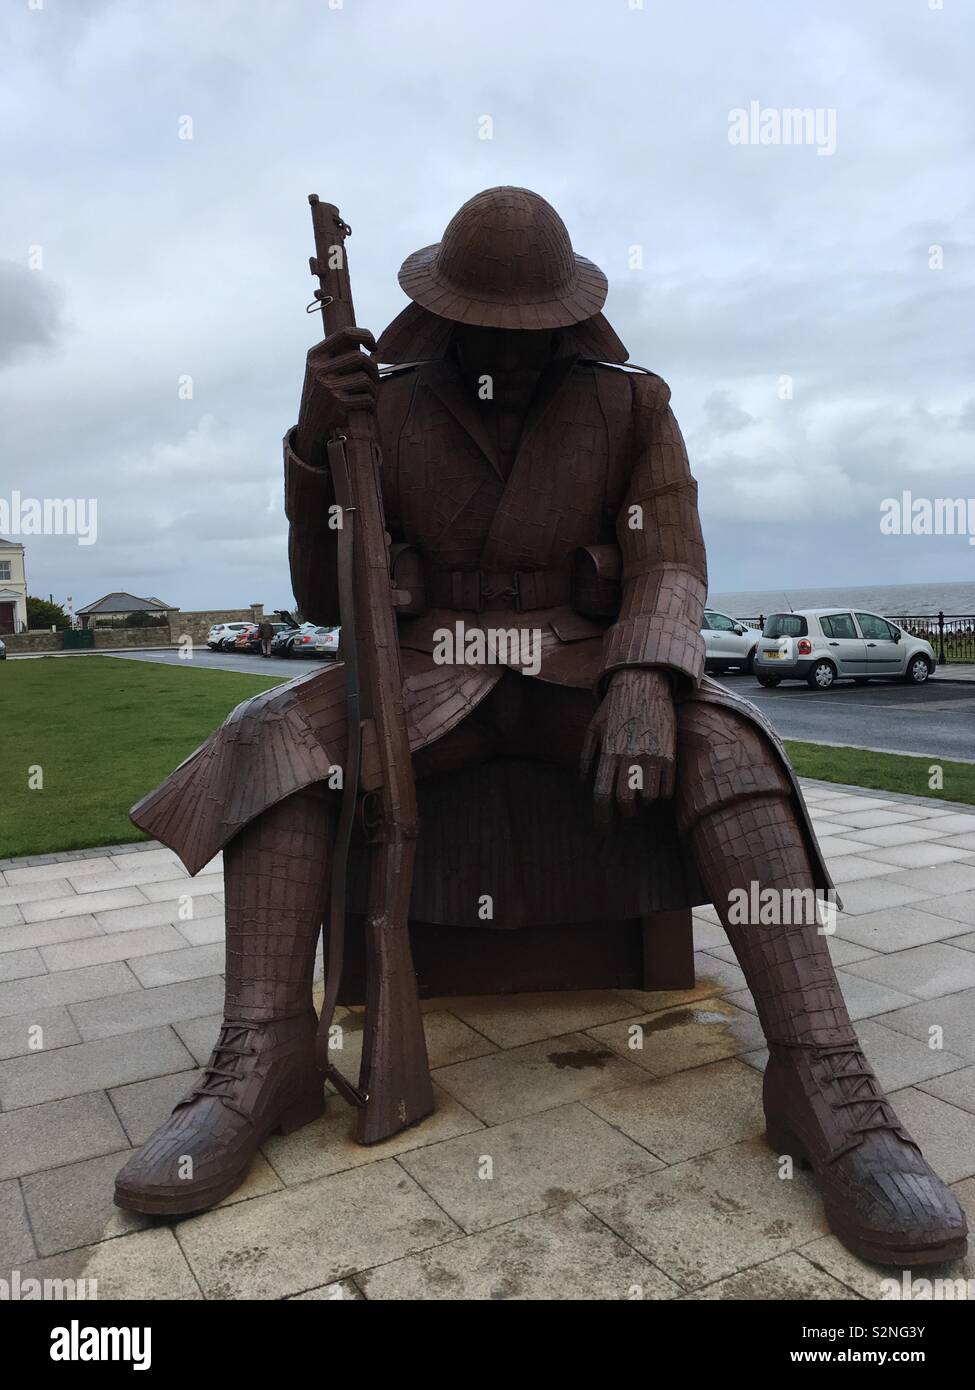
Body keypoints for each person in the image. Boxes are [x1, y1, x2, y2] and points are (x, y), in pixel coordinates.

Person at [115, 187, 966, 1267]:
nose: (511, 361)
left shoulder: (633, 402)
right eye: (488, 336)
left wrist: (649, 681)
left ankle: (824, 1075)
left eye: (532, 340)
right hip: (430, 673)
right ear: (445, 313)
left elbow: (670, 563)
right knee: (266, 733)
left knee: (737, 745)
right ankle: (263, 1051)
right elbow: (325, 600)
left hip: (580, 668)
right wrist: (313, 445)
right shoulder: (383, 403)